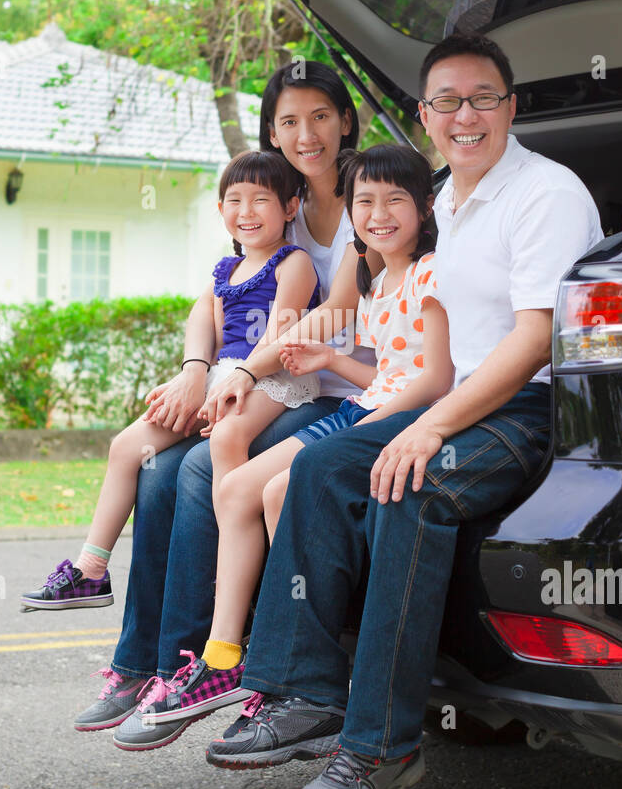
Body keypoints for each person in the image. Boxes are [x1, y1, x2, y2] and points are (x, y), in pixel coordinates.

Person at [205, 33, 605, 789]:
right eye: (447, 101)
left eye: (482, 98)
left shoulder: (545, 194)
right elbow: (436, 339)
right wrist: (403, 404)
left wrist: (429, 424)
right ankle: (304, 693)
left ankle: (383, 751)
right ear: (425, 115)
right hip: (459, 398)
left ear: (510, 107)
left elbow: (531, 339)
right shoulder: (447, 202)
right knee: (320, 467)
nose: (465, 115)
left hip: (530, 407)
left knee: (407, 486)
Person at [70, 61, 383, 751]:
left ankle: (203, 659)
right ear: (272, 131)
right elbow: (216, 297)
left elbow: (337, 312)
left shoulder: (370, 195)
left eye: (321, 116)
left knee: (197, 473)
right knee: (152, 463)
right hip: (261, 383)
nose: (307, 134)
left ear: (346, 120)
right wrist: (197, 370)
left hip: (334, 388)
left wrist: (244, 367)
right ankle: (142, 665)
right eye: (290, 121)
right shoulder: (273, 198)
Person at [133, 144, 453, 735]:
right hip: (364, 405)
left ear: (427, 206)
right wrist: (329, 358)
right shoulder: (374, 280)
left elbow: (435, 379)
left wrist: (370, 407)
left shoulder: (431, 273)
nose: (377, 214)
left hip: (386, 418)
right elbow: (386, 370)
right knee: (234, 494)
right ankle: (224, 659)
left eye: (394, 200)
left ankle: (301, 660)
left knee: (279, 491)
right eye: (364, 202)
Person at [18, 149, 321, 611]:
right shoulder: (225, 270)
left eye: (261, 200)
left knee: (228, 437)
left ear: (290, 207)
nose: (246, 212)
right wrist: (194, 380)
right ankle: (91, 570)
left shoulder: (292, 263)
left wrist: (232, 381)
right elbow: (213, 336)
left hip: (273, 376)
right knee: (125, 447)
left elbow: (280, 338)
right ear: (220, 210)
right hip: (223, 376)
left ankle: (231, 567)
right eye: (235, 200)